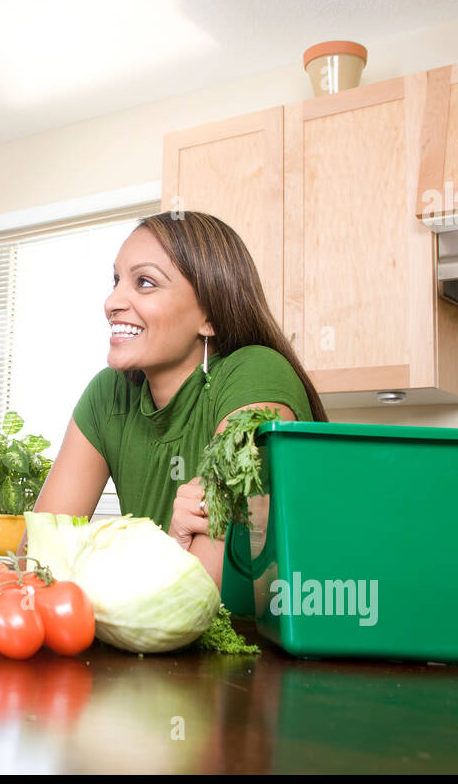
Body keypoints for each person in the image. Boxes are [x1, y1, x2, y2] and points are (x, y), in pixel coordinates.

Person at [33, 210, 327, 587]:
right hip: (152, 639)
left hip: (258, 644)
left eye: (144, 282)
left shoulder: (254, 373)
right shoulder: (108, 395)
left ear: (209, 316)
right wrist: (172, 545)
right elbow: (39, 564)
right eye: (116, 280)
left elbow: (207, 591)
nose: (111, 302)